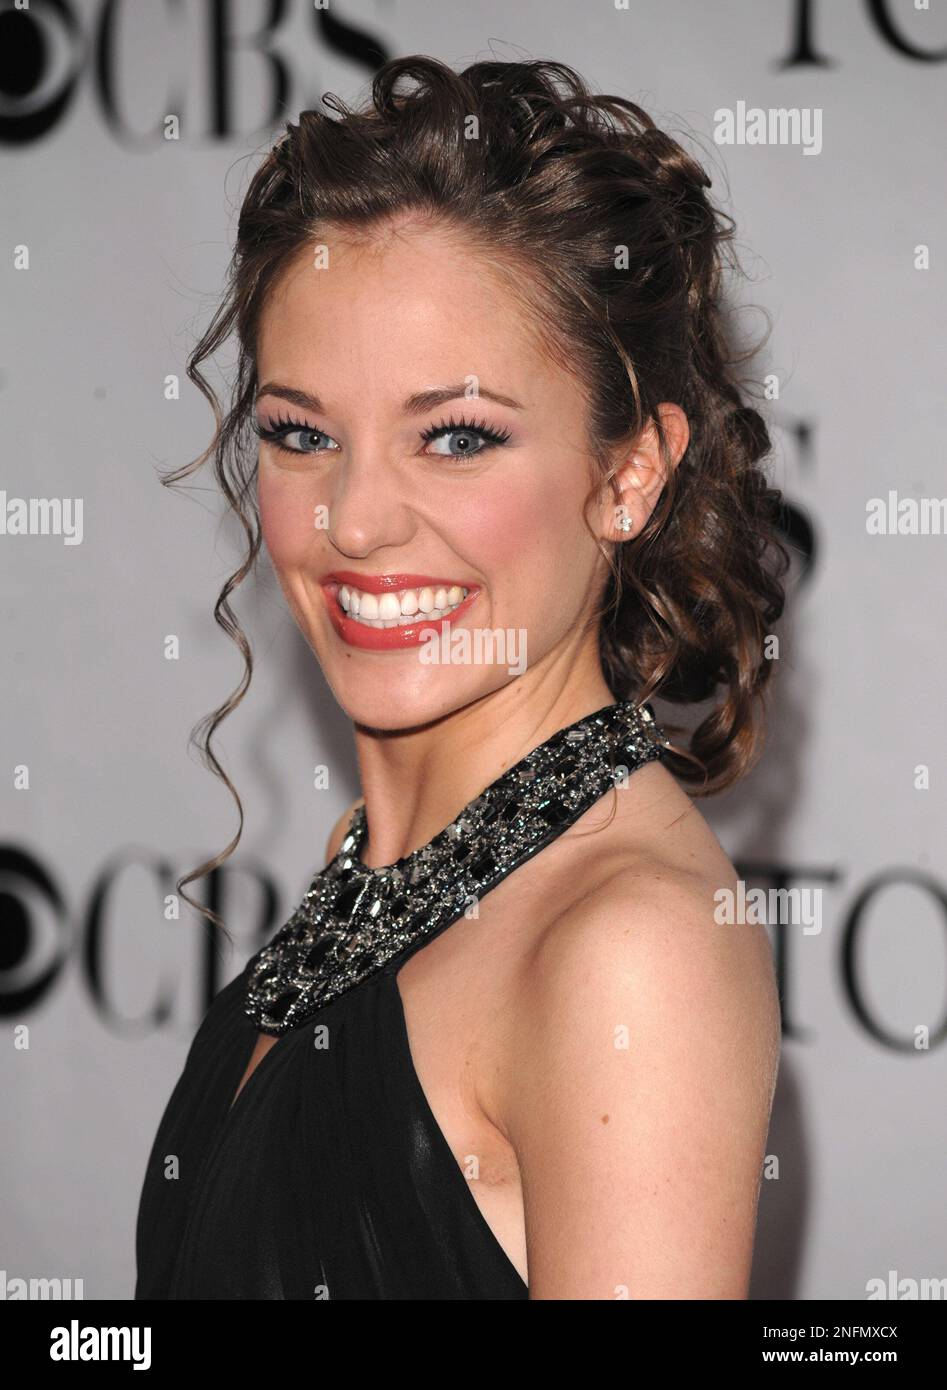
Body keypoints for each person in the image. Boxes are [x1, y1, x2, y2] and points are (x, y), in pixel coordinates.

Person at [135, 54, 788, 1300]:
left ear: (629, 474)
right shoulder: (385, 877)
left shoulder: (625, 950)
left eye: (455, 437)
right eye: (300, 432)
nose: (354, 519)